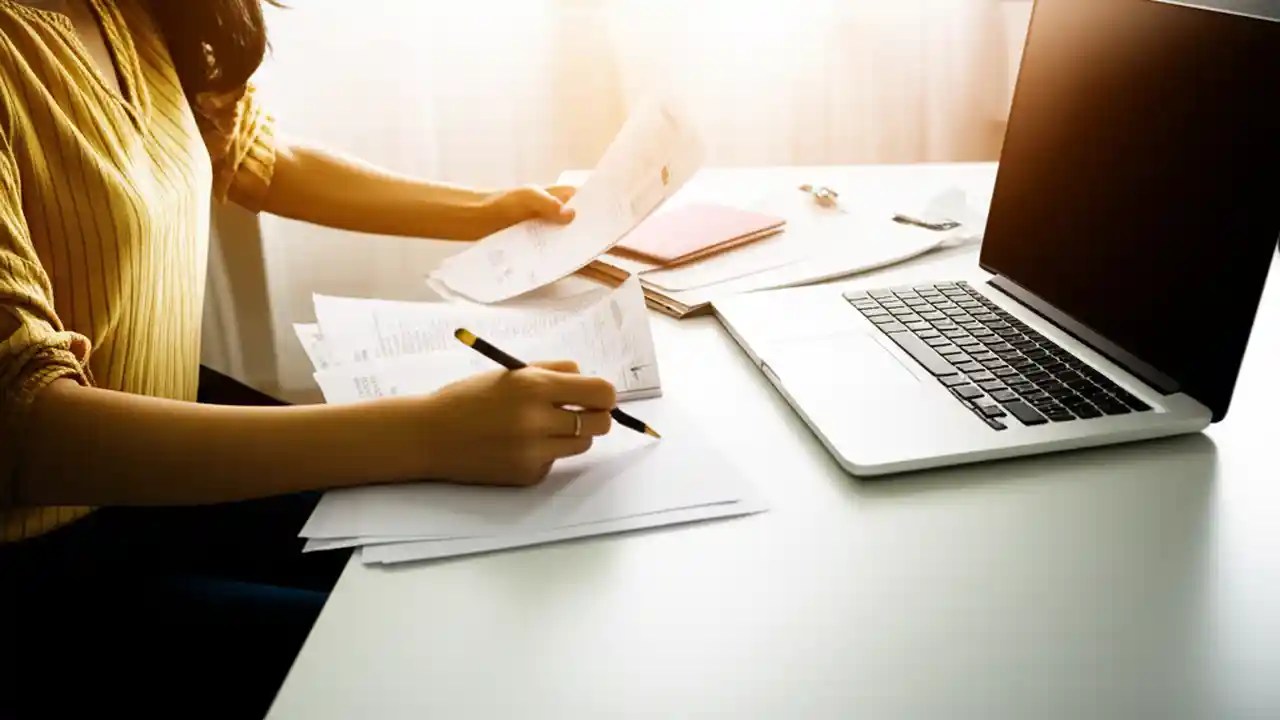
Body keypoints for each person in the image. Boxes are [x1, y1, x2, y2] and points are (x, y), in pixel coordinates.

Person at [0, 0, 617, 716]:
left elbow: (254, 156)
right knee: (448, 650)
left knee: (484, 568)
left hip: (170, 452)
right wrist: (427, 434)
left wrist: (484, 210)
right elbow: (26, 427)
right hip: (49, 559)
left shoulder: (133, 9)